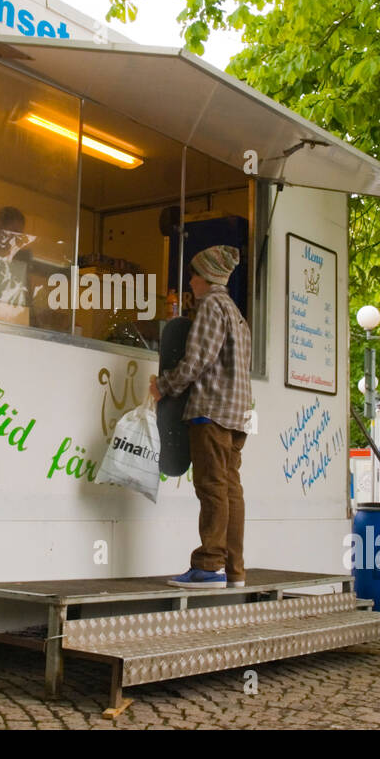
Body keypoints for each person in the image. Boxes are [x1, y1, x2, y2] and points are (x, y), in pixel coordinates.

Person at [149, 245, 252, 589]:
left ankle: (208, 567)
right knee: (231, 491)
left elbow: (197, 360)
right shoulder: (236, 313)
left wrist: (164, 386)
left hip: (211, 411)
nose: (190, 280)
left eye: (193, 274)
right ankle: (234, 570)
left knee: (211, 489)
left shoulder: (211, 306)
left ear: (206, 277)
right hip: (238, 414)